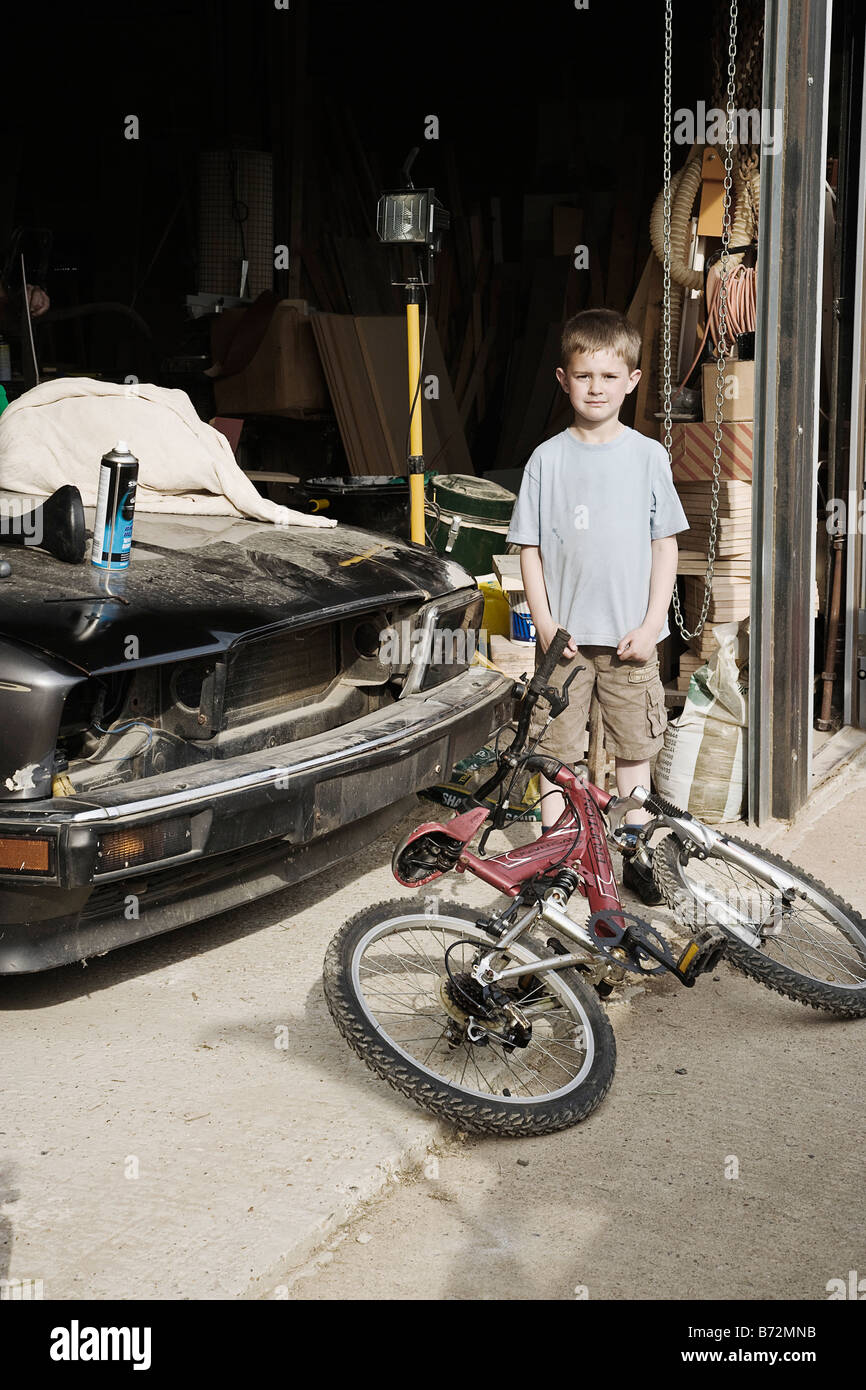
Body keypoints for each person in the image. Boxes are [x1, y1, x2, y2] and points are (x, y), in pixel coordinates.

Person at [505, 307, 689, 905]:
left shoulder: (647, 457)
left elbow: (667, 545)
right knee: (556, 752)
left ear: (632, 381)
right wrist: (547, 622)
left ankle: (635, 848)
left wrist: (655, 620)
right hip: (566, 642)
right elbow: (528, 551)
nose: (596, 389)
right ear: (563, 379)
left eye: (609, 378)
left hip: (631, 637)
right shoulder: (546, 461)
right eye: (584, 376)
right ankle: (561, 854)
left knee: (635, 748)